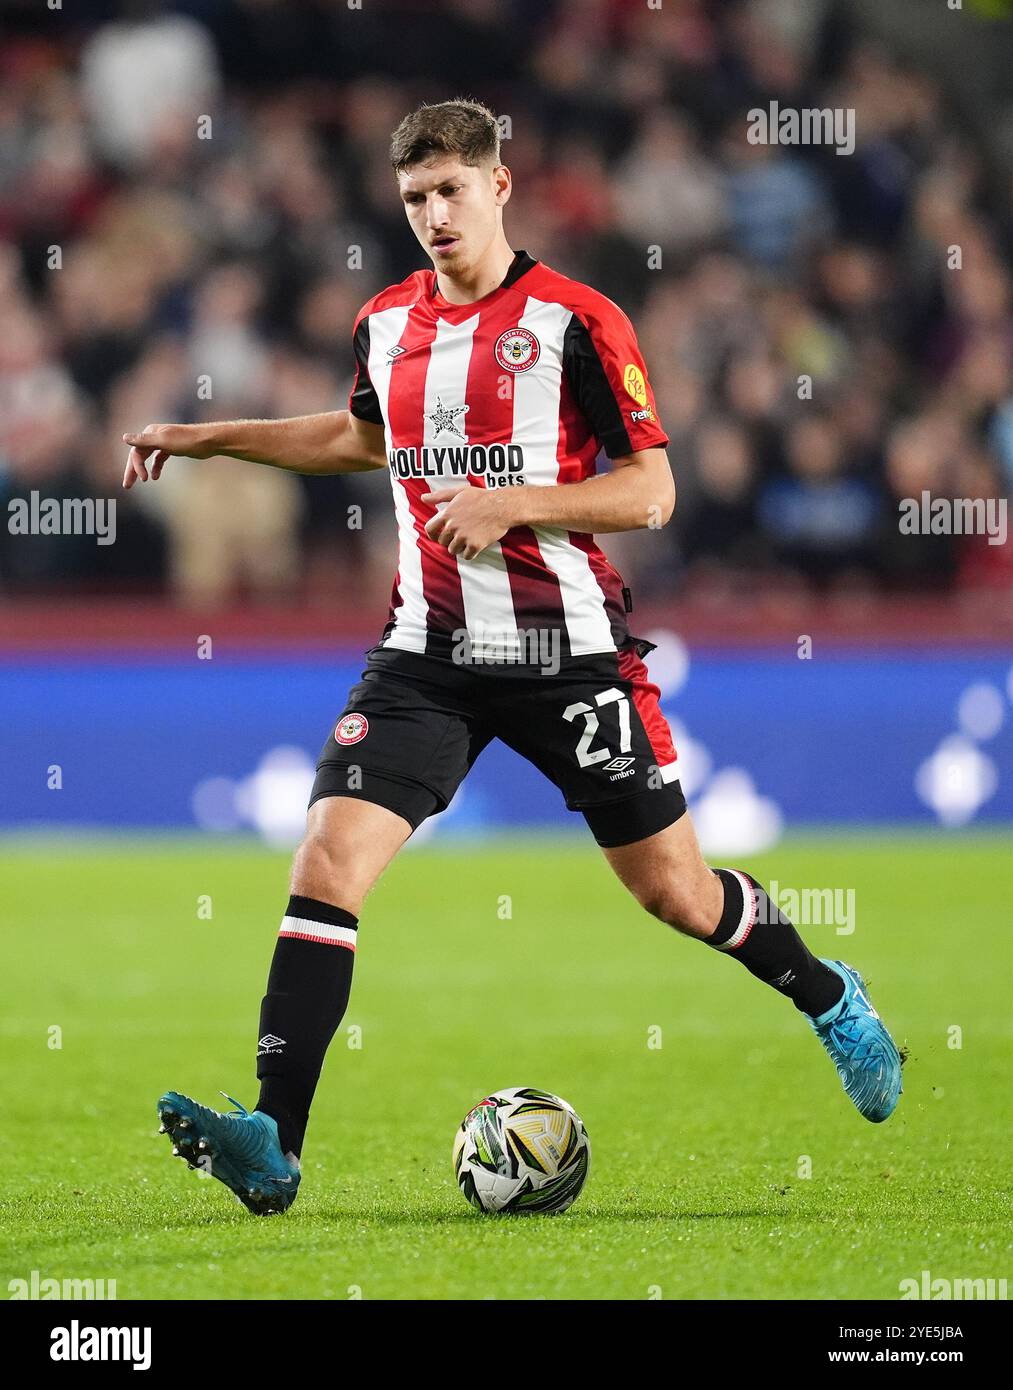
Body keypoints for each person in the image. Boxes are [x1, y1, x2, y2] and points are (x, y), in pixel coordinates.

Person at [123, 99, 902, 1215]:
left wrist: (515, 506)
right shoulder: (384, 323)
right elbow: (359, 436)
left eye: (448, 191)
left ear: (498, 186)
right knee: (324, 865)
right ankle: (273, 1140)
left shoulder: (580, 323)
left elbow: (652, 489)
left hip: (566, 653)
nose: (431, 216)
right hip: (424, 655)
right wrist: (207, 438)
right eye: (410, 199)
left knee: (674, 893)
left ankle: (826, 993)